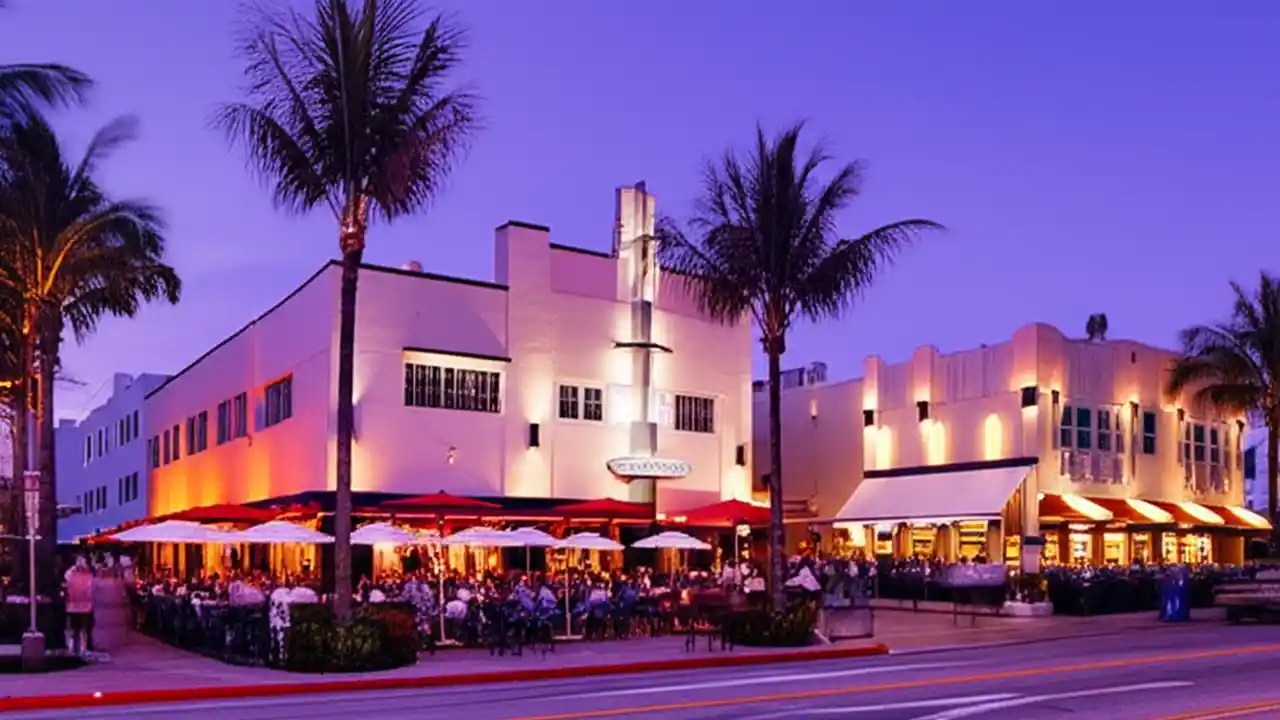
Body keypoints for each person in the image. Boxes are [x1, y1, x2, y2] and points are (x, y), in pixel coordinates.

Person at [65, 556, 95, 655]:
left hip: (75, 607)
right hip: (83, 607)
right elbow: (91, 591)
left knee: (77, 630)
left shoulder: (70, 574)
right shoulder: (88, 575)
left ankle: (76, 649)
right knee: (81, 630)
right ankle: (80, 650)